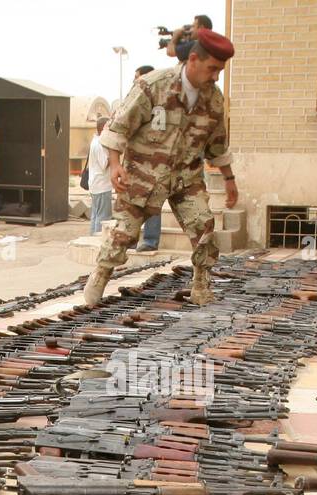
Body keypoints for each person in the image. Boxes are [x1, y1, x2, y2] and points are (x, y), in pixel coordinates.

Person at [84, 30, 238, 307]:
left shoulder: (213, 100)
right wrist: (116, 165)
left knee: (204, 227)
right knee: (124, 235)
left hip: (185, 178)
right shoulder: (152, 86)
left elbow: (217, 145)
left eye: (220, 70)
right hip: (143, 175)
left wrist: (229, 179)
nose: (216, 76)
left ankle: (201, 283)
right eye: (212, 68)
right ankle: (101, 274)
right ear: (193, 59)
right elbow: (118, 127)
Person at [132, 65, 161, 253]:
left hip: (153, 159)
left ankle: (150, 240)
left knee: (152, 202)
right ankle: (132, 239)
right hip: (141, 159)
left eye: (137, 77)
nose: (134, 81)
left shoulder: (151, 97)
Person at [88, 117, 112, 235]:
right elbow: (105, 164)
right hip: (102, 186)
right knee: (103, 217)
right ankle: (98, 239)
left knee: (95, 215)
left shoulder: (95, 142)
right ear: (104, 128)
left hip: (96, 184)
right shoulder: (100, 144)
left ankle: (92, 237)